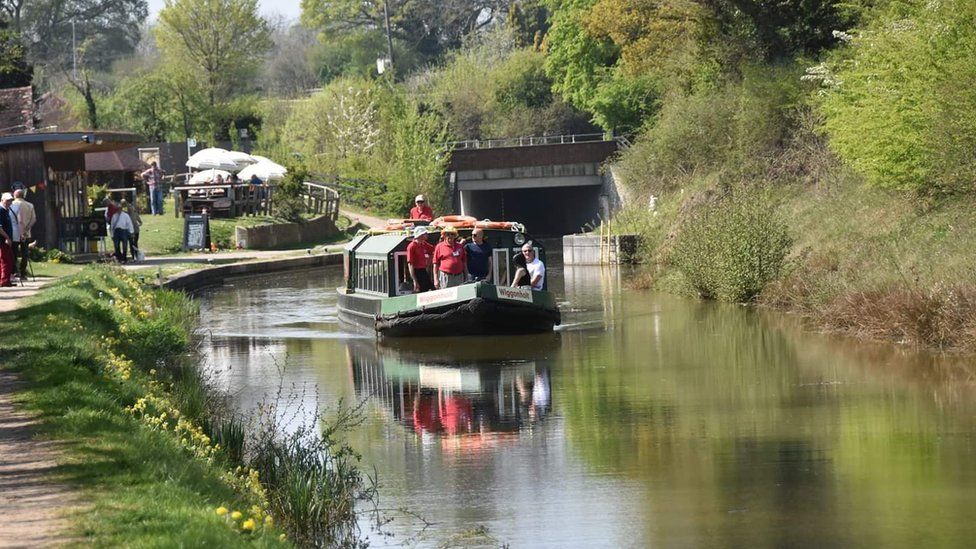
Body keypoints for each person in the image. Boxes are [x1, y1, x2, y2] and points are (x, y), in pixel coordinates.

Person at [11, 188, 35, 280]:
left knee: (14, 252)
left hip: (14, 232)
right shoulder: (30, 205)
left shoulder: (12, 205)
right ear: (23, 195)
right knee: (25, 253)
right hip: (26, 233)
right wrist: (26, 229)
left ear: (14, 195)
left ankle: (14, 272)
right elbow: (33, 219)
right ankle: (23, 273)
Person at [406, 226, 435, 293]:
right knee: (421, 290)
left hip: (423, 270)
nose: (427, 235)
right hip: (416, 272)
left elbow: (433, 251)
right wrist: (414, 280)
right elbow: (410, 264)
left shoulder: (424, 244)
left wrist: (427, 264)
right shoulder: (411, 246)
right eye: (425, 233)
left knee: (430, 289)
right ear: (421, 235)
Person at [0, 194, 16, 286]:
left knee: (8, 259)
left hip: (6, 240)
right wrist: (7, 238)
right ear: (2, 200)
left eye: (10, 200)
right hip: (3, 240)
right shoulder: (1, 210)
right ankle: (4, 281)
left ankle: (6, 280)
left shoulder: (6, 210)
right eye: (7, 200)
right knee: (5, 260)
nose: (9, 202)